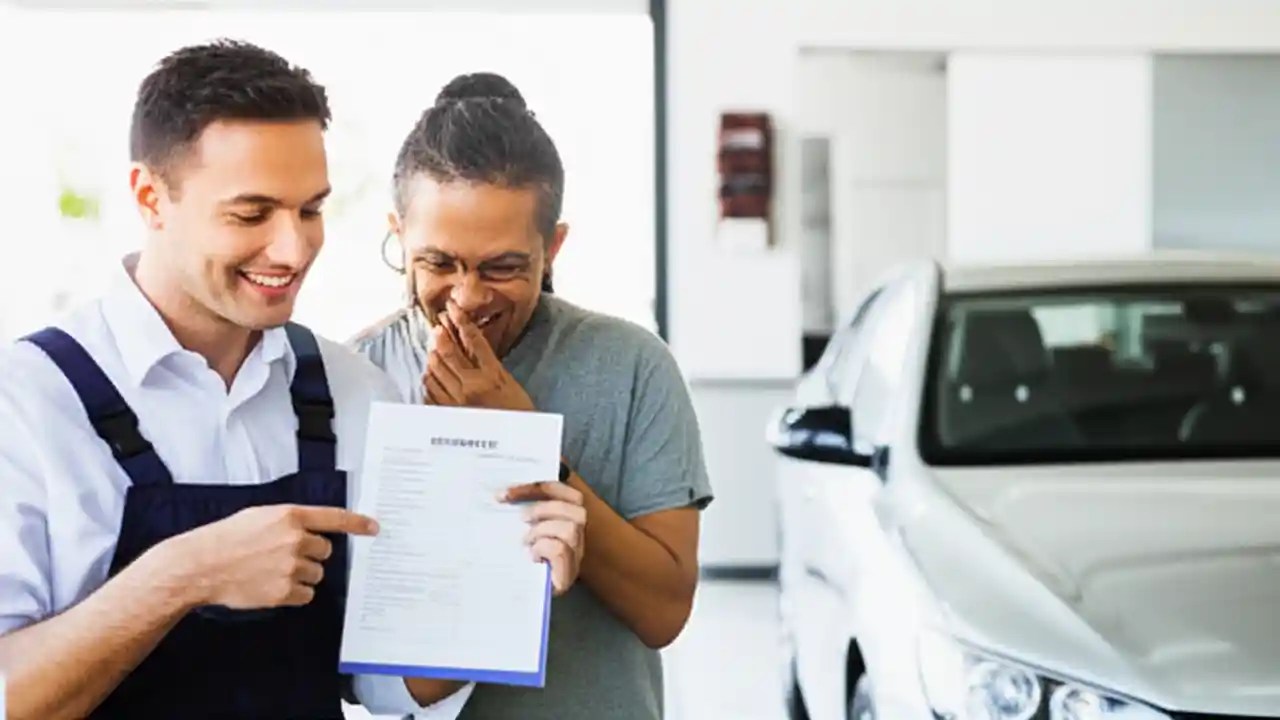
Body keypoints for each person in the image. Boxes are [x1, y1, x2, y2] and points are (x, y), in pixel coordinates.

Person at [0, 41, 587, 720]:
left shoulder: (354, 392)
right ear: (150, 198)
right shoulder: (27, 403)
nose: (294, 248)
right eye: (252, 214)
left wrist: (505, 578)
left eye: (309, 210)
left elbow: (385, 686)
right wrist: (182, 576)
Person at [350, 72, 714, 720]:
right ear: (398, 235)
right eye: (438, 263)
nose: (467, 296)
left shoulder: (633, 367)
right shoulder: (353, 378)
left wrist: (523, 439)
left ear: (552, 249)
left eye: (502, 267)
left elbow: (664, 612)